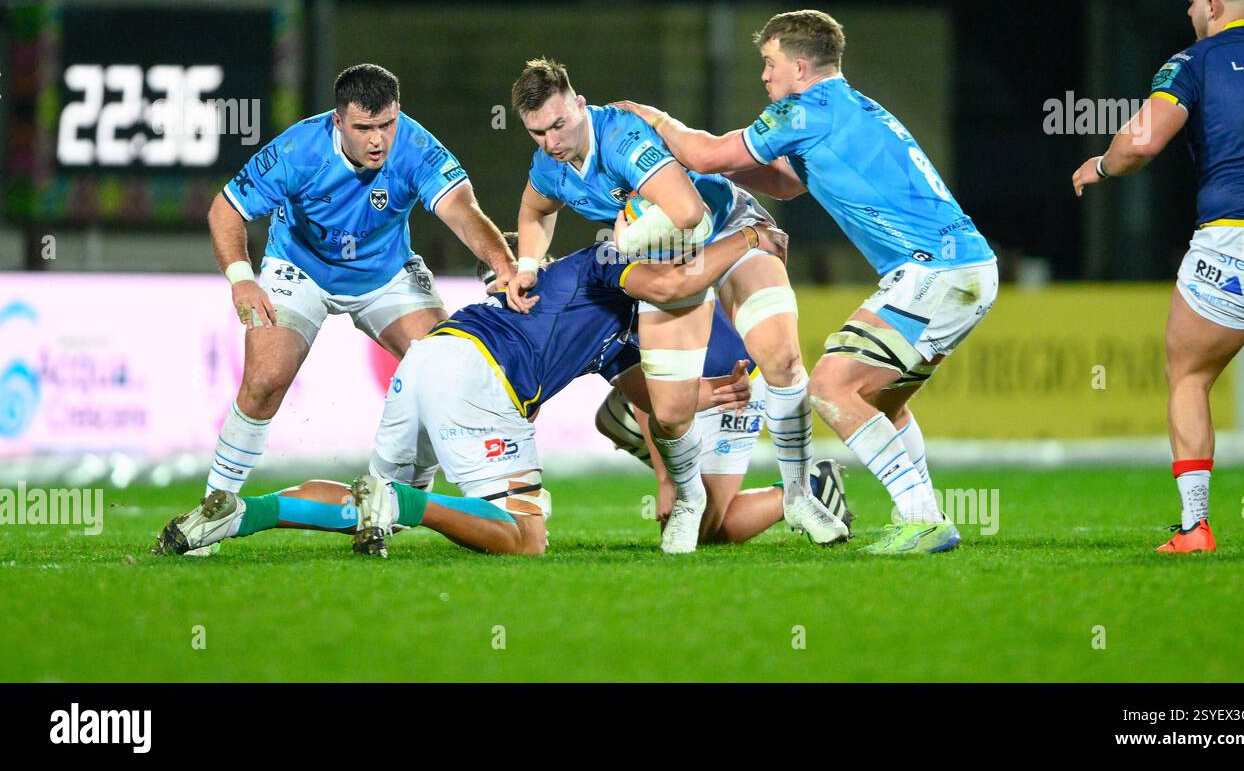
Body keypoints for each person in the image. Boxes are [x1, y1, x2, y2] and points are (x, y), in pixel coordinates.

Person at [154, 225, 788, 558]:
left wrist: (701, 397)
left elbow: (640, 396)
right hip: (481, 373)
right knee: (525, 534)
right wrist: (750, 239)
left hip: (433, 357)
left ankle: (240, 515)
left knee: (363, 507)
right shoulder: (611, 264)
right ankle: (404, 503)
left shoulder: (627, 329)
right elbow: (679, 275)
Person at [615, 9, 998, 554]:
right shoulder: (848, 107)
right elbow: (786, 183)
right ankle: (924, 517)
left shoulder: (806, 110)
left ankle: (923, 520)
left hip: (933, 270)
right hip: (963, 270)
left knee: (831, 387)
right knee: (881, 403)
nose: (764, 77)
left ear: (799, 66)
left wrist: (656, 122)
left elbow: (704, 151)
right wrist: (707, 171)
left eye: (769, 64)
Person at [507, 58, 847, 554]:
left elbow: (689, 213)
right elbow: (534, 210)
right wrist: (529, 263)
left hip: (728, 227)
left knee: (783, 357)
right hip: (666, 258)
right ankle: (689, 497)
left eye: (559, 124)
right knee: (668, 409)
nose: (552, 141)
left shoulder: (622, 137)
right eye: (538, 132)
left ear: (580, 105)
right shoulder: (550, 164)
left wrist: (627, 233)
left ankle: (798, 493)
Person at [204, 63, 516, 506]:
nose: (377, 140)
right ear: (338, 121)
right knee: (264, 381)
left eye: (387, 125)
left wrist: (503, 263)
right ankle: (214, 506)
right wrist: (241, 278)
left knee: (445, 373)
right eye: (364, 127)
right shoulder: (299, 149)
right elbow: (226, 209)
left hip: (386, 274)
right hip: (300, 269)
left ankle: (399, 504)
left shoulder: (416, 147)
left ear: (398, 113)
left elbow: (463, 211)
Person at [1071, 0, 1244, 553]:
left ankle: (1195, 526)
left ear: (1214, 5)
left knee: (1190, 374)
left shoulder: (1194, 61)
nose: (1191, 13)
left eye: (1193, 3)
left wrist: (1101, 164)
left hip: (1238, 237)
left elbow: (1140, 144)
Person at [596, 299, 855, 544]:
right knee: (612, 420)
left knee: (695, 530)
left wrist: (667, 481)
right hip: (690, 379)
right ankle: (693, 477)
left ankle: (811, 486)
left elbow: (654, 398)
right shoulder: (598, 295)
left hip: (731, 381)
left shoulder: (600, 306)